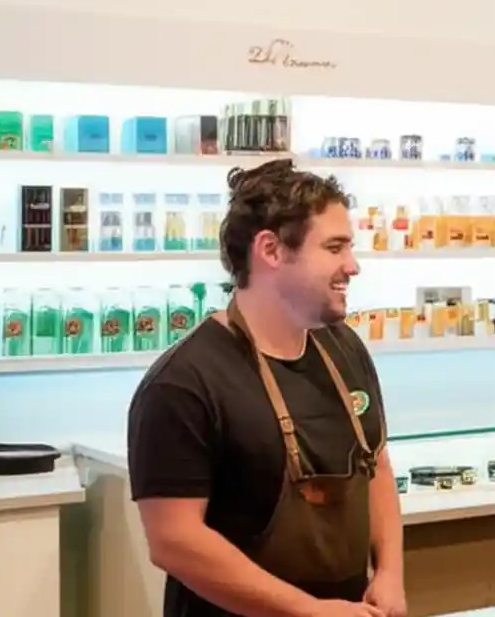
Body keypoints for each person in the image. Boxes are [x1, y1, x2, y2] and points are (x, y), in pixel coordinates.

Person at [127, 160, 405, 617]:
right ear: (271, 250)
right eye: (334, 247)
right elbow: (174, 540)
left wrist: (390, 573)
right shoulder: (184, 383)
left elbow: (374, 465)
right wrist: (307, 611)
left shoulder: (344, 349)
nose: (351, 266)